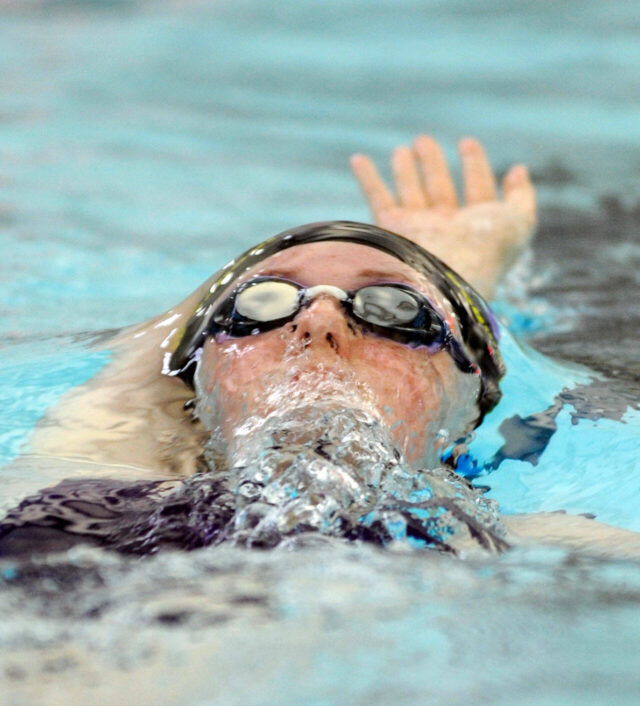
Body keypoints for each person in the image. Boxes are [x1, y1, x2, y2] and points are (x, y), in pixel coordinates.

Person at [2, 135, 639, 559]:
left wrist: (455, 282)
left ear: (467, 409)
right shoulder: (74, 510)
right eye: (261, 305)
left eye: (394, 309)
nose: (321, 319)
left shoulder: (542, 553)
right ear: (191, 389)